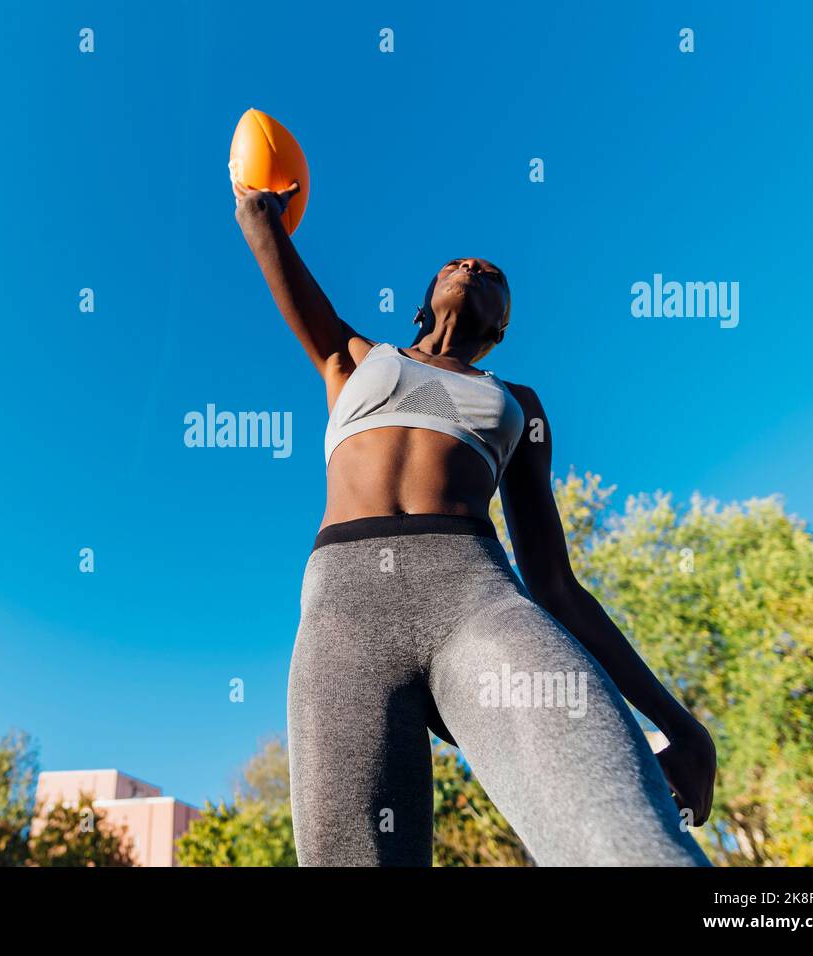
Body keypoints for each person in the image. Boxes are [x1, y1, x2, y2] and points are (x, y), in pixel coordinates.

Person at [233, 179, 714, 866]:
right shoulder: (355, 356)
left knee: (619, 828)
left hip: (476, 602)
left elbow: (554, 581)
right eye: (459, 264)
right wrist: (261, 203)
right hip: (344, 617)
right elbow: (262, 232)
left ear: (500, 330)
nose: (478, 267)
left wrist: (679, 725)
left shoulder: (520, 404)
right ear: (421, 304)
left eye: (493, 275)